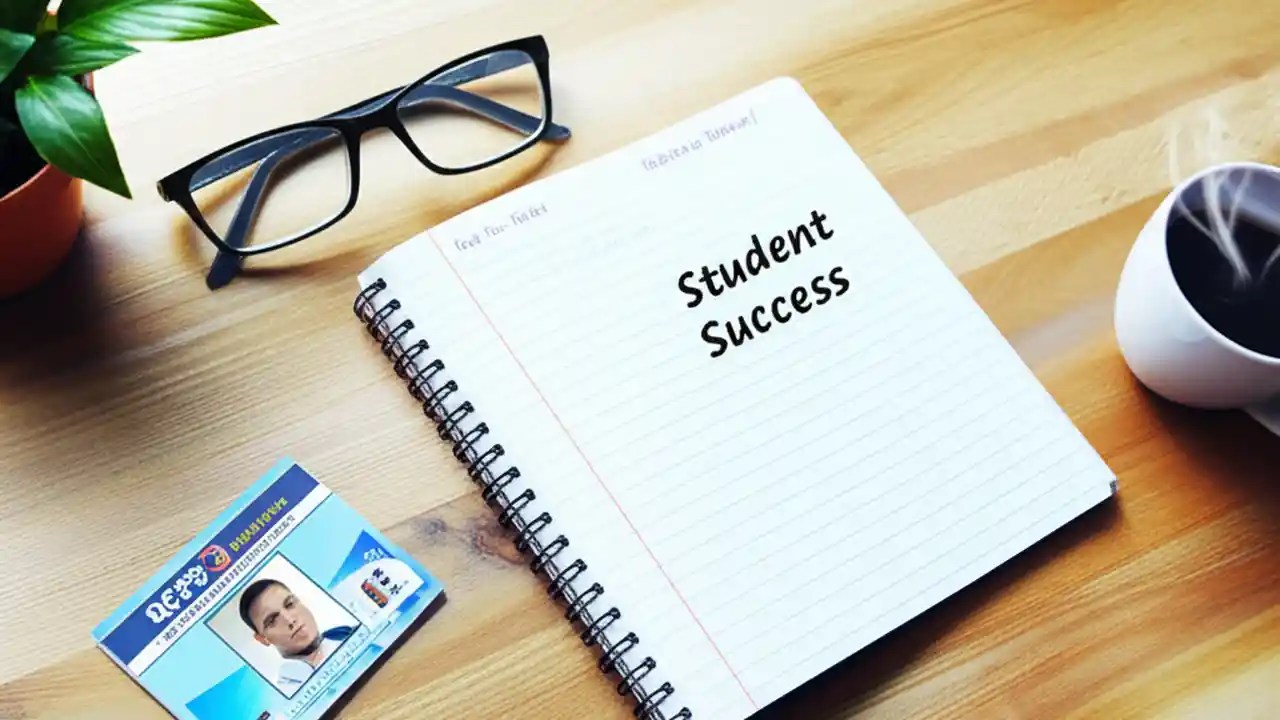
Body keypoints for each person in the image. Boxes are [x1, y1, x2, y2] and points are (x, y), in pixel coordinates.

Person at [238, 578, 356, 691]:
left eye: (289, 604)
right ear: (262, 639)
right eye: (272, 620)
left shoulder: (349, 633)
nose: (290, 620)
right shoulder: (286, 695)